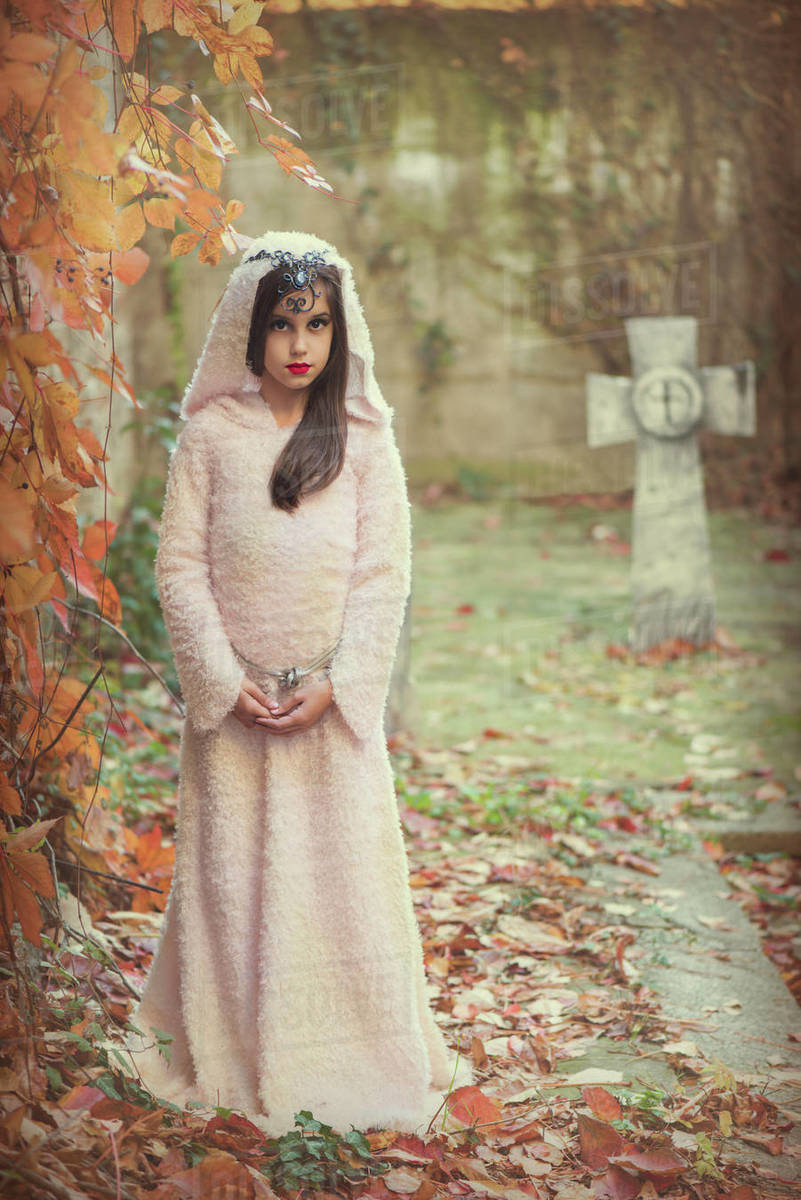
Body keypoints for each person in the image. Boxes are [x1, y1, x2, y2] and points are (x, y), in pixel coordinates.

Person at [121, 230, 472, 1137]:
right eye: (281, 324)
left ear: (338, 330)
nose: (299, 344)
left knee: (337, 880)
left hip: (327, 712)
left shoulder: (358, 439)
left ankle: (349, 1043)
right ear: (248, 331)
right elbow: (180, 567)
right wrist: (218, 674)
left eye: (316, 322)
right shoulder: (210, 436)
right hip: (234, 712)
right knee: (237, 880)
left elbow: (381, 574)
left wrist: (341, 680)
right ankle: (237, 1039)